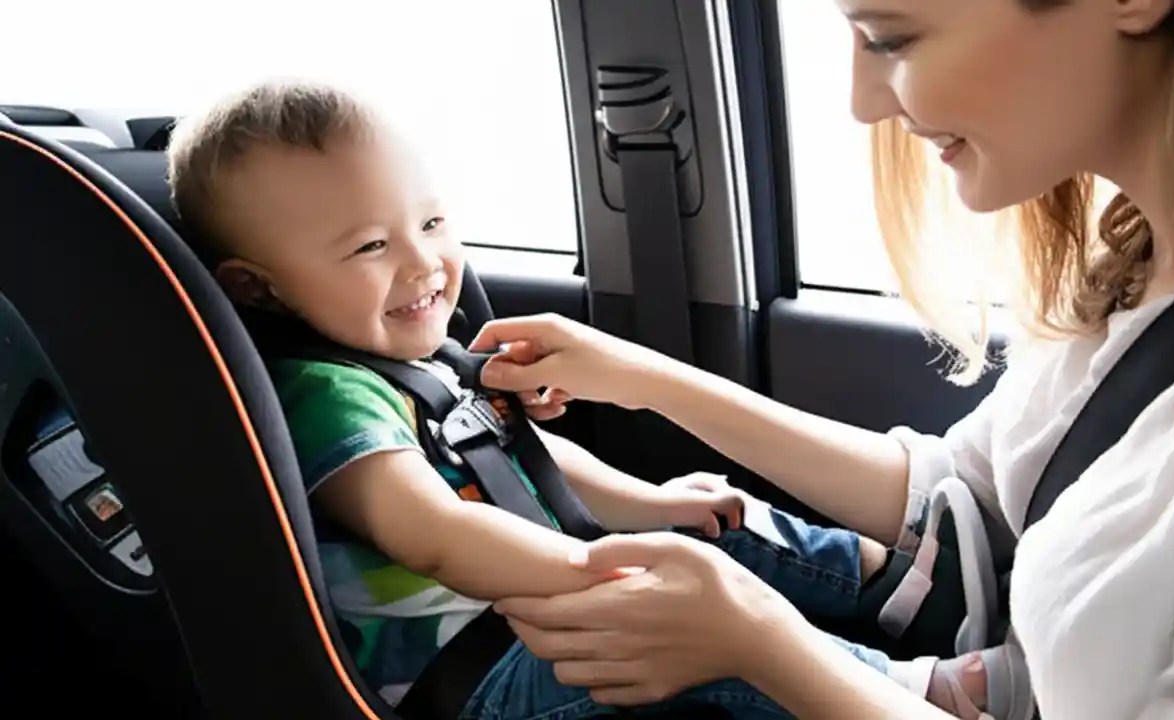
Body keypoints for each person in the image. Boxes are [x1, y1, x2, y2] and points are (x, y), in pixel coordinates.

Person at [473, 1, 1174, 718]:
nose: (864, 103)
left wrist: (760, 642)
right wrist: (641, 378)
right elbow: (973, 494)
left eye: (892, 39)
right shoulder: (1142, 269)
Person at [164, 79, 970, 719]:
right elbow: (431, 531)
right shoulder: (323, 397)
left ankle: (904, 588)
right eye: (371, 246)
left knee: (714, 521)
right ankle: (917, 692)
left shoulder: (430, 359)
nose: (425, 264)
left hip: (539, 608)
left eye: (434, 223)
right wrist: (590, 567)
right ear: (257, 289)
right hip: (487, 669)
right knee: (694, 633)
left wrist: (650, 507)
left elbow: (540, 458)